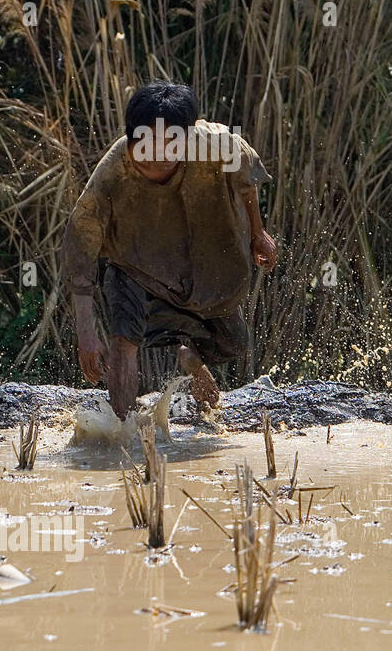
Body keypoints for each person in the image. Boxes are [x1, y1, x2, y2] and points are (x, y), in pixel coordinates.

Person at [62, 81, 277, 420]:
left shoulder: (213, 144)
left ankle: (191, 357)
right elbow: (81, 246)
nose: (160, 154)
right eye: (149, 143)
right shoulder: (113, 169)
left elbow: (245, 176)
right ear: (133, 138)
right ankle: (123, 430)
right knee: (124, 339)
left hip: (199, 269)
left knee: (233, 344)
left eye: (171, 143)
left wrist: (258, 232)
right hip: (133, 265)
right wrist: (86, 335)